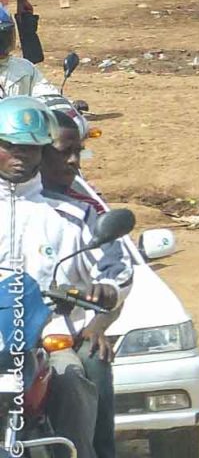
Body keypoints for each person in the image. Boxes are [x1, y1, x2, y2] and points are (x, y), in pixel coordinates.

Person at [0, 97, 125, 458]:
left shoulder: (74, 214)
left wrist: (107, 289)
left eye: (30, 147)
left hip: (47, 339)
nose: (20, 155)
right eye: (10, 146)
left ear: (42, 151)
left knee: (72, 380)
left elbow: (115, 267)